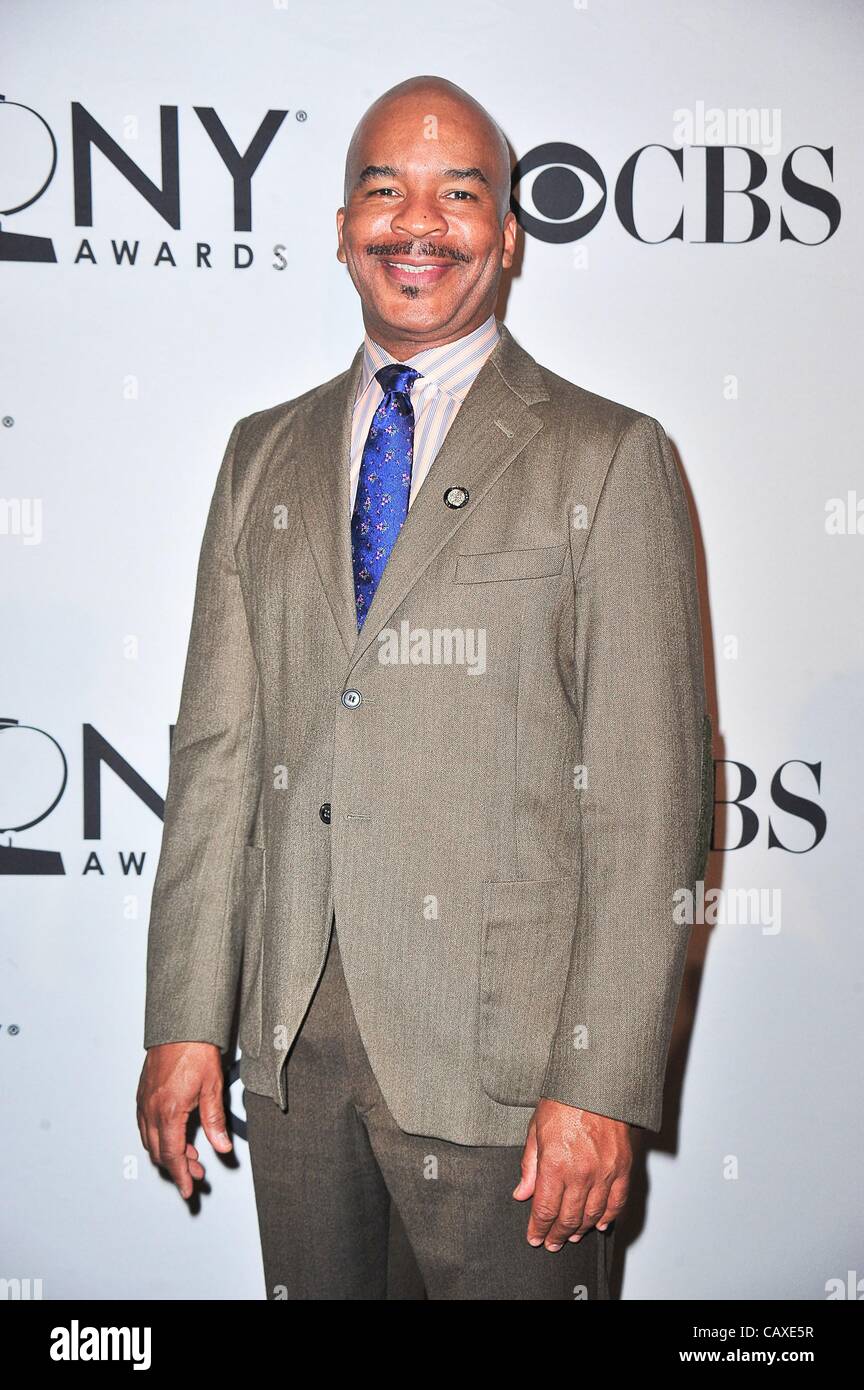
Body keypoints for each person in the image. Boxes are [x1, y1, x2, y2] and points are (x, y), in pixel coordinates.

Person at [137, 74, 714, 1301]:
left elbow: (648, 797)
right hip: (293, 1054)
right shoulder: (260, 454)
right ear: (343, 227)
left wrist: (599, 1083)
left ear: (508, 236)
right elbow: (219, 757)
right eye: (384, 189)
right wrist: (185, 1017)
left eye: (459, 194)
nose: (418, 223)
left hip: (511, 1067)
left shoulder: (607, 456)